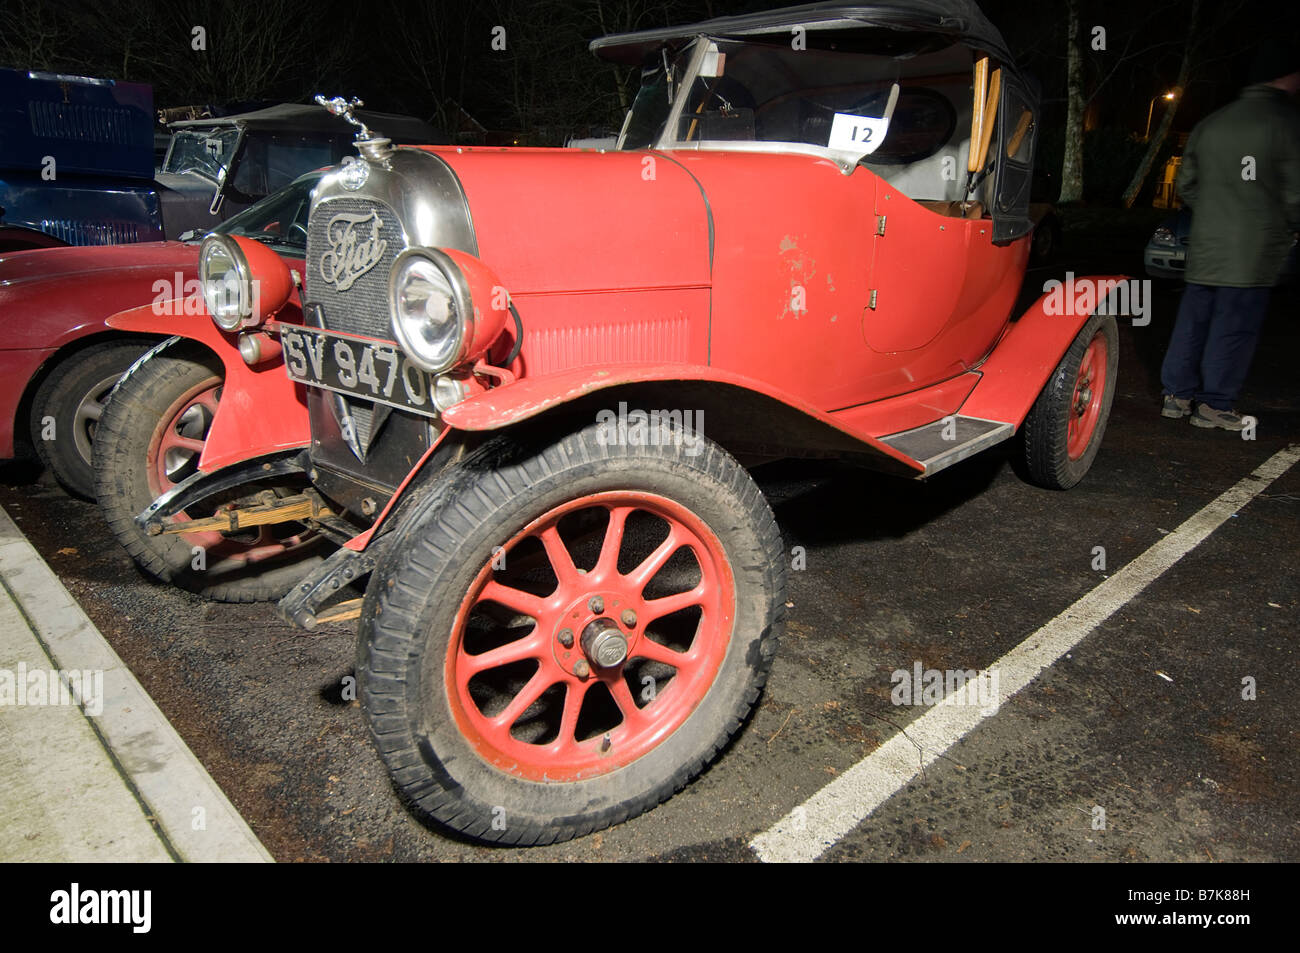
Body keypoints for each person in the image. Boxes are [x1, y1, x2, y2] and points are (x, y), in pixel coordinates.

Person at [1159, 43, 1300, 431]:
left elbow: (1187, 186)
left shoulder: (1212, 123)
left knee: (1193, 319)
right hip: (1252, 249)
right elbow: (1294, 192)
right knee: (1234, 326)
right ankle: (1214, 404)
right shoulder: (1286, 123)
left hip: (1207, 242)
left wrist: (1216, 212)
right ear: (1286, 77)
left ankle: (1176, 395)